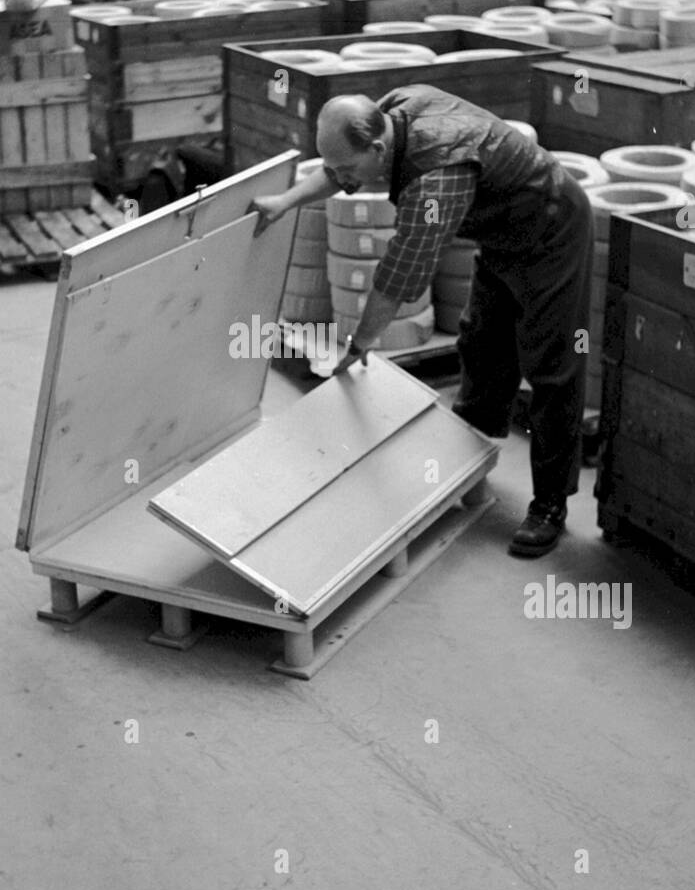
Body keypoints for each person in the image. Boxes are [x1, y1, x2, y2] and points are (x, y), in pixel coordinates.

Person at [251, 86, 593, 558]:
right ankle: (466, 460)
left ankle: (551, 505)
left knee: (550, 364)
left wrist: (361, 344)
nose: (342, 179)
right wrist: (286, 201)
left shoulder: (434, 183)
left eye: (349, 169)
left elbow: (398, 279)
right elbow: (339, 169)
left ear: (377, 149)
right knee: (481, 340)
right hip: (502, 230)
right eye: (334, 166)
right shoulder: (392, 111)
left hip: (551, 228)